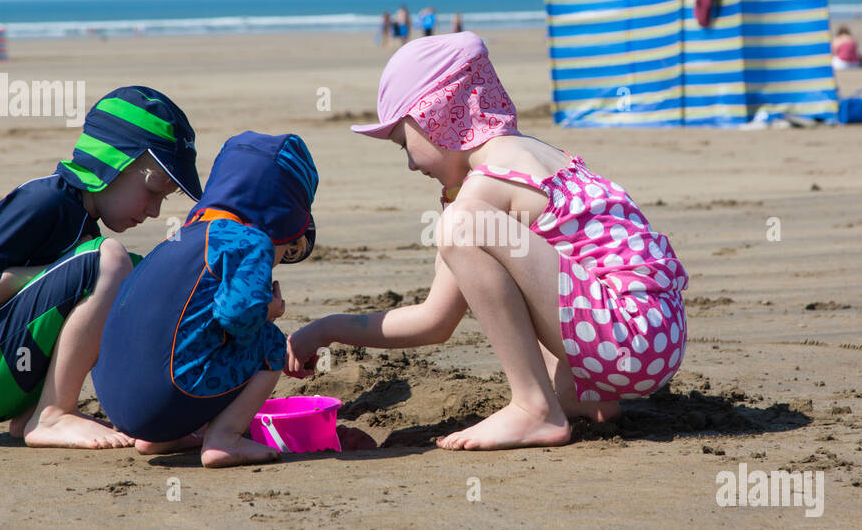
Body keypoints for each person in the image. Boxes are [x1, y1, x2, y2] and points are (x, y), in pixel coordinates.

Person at [287, 33, 689, 451]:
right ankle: (582, 397)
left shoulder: (485, 189)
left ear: (436, 115)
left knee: (462, 225)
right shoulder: (534, 153)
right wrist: (326, 329)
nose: (408, 163)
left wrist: (326, 328)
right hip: (654, 334)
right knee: (496, 243)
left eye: (405, 142)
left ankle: (535, 409)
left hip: (629, 337)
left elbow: (435, 321)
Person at [0, 86, 202, 449]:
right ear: (113, 161)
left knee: (132, 273)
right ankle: (53, 414)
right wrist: (68, 273)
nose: (154, 211)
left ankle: (135, 415)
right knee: (111, 262)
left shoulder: (82, 224)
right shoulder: (44, 200)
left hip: (12, 379)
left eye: (163, 200)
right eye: (152, 190)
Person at [92, 132, 319, 467]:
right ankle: (224, 439)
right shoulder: (251, 240)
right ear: (281, 217)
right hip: (170, 396)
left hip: (117, 404)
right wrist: (268, 311)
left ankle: (161, 438)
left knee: (189, 341)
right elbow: (238, 317)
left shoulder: (179, 238)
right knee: (269, 341)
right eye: (287, 249)